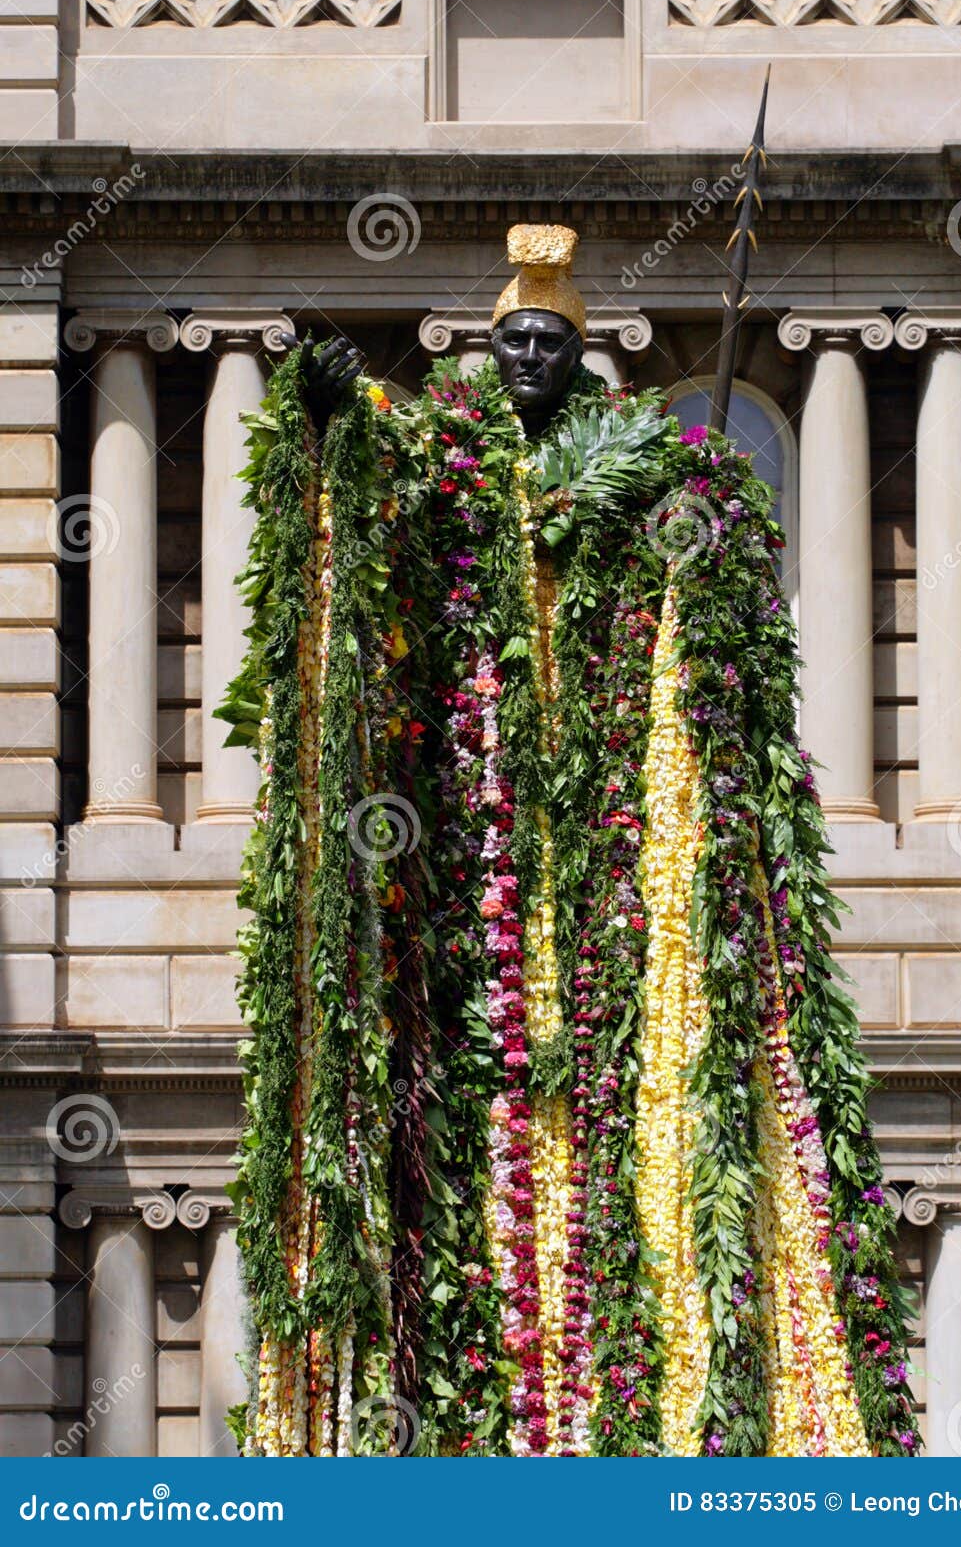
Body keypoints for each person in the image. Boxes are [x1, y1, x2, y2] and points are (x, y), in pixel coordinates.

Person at [224, 225, 918, 1459]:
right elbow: (370, 471)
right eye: (513, 340)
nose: (532, 355)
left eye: (550, 340)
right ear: (490, 352)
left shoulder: (638, 459)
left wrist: (705, 505)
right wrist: (329, 410)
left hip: (603, 832)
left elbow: (703, 568)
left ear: (578, 353)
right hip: (461, 838)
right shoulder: (448, 455)